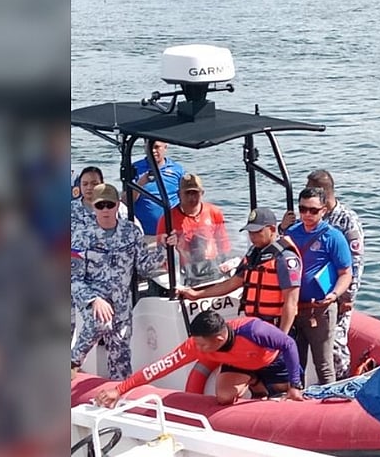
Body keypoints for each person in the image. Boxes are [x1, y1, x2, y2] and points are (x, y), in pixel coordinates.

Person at [94, 310, 305, 407]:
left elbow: (288, 344)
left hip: (271, 360)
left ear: (220, 338)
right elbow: (157, 368)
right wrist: (119, 390)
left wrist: (295, 385)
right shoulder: (194, 345)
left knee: (284, 396)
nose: (199, 349)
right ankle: (255, 383)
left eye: (203, 344)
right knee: (223, 397)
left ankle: (273, 386)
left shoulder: (254, 330)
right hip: (240, 365)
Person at [71, 183, 172, 380]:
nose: (106, 210)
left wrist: (163, 247)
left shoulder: (131, 232)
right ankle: (72, 362)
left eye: (110, 204)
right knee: (100, 321)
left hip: (122, 305)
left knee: (121, 359)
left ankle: (119, 394)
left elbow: (143, 267)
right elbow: (73, 278)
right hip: (95, 301)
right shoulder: (81, 237)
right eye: (101, 205)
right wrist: (93, 300)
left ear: (118, 205)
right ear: (93, 207)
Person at [280, 170, 365, 378]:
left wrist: (346, 297)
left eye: (312, 209)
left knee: (333, 351)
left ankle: (342, 385)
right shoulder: (296, 228)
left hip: (331, 299)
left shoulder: (346, 222)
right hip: (300, 303)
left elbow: (354, 263)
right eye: (303, 209)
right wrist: (282, 228)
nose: (307, 213)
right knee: (296, 358)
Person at [176, 207, 302, 336]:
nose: (252, 236)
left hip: (275, 327)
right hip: (254, 325)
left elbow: (291, 303)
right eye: (250, 232)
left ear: (272, 229)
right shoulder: (253, 254)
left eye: (257, 232)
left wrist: (282, 338)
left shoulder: (284, 258)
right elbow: (231, 284)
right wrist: (196, 294)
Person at [156, 173, 231, 284]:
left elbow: (223, 242)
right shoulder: (167, 219)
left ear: (202, 193)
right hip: (185, 271)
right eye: (187, 193)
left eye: (195, 193)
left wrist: (227, 264)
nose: (192, 197)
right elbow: (161, 251)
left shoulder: (213, 212)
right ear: (179, 194)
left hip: (213, 267)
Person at [129, 140, 186, 235]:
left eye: (156, 147)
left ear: (165, 147)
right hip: (144, 232)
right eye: (149, 147)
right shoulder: (135, 168)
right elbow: (126, 201)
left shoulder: (177, 169)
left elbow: (185, 200)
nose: (153, 151)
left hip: (171, 231)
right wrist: (140, 184)